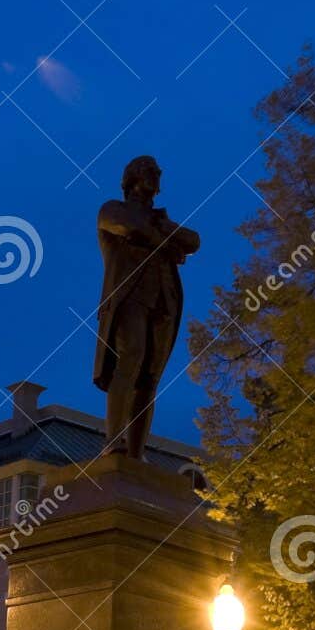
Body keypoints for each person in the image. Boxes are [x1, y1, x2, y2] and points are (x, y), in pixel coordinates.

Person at [93, 155, 200, 459]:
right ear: (131, 178)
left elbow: (194, 241)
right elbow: (130, 227)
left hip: (163, 303)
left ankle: (136, 454)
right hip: (129, 298)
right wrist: (168, 242)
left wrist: (166, 231)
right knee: (131, 356)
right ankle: (114, 441)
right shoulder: (113, 209)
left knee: (150, 378)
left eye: (157, 171)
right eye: (148, 170)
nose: (155, 174)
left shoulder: (161, 221)